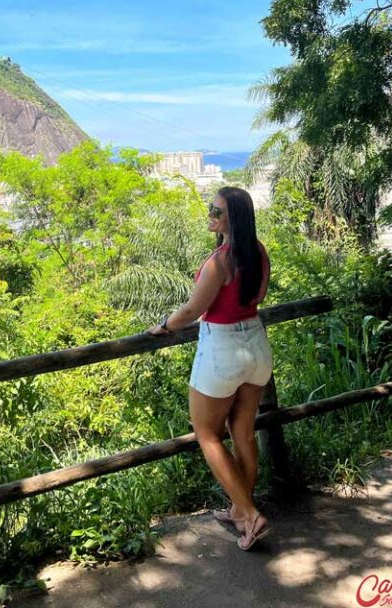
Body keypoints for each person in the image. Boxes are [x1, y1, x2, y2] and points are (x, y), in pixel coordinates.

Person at [147, 186, 273, 551]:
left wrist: (165, 325)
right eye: (211, 209)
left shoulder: (220, 261)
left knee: (207, 434)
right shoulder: (258, 252)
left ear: (234, 219)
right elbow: (259, 296)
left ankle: (250, 515)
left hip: (222, 348)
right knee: (244, 434)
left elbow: (192, 310)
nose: (211, 216)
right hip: (256, 344)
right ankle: (240, 510)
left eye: (217, 212)